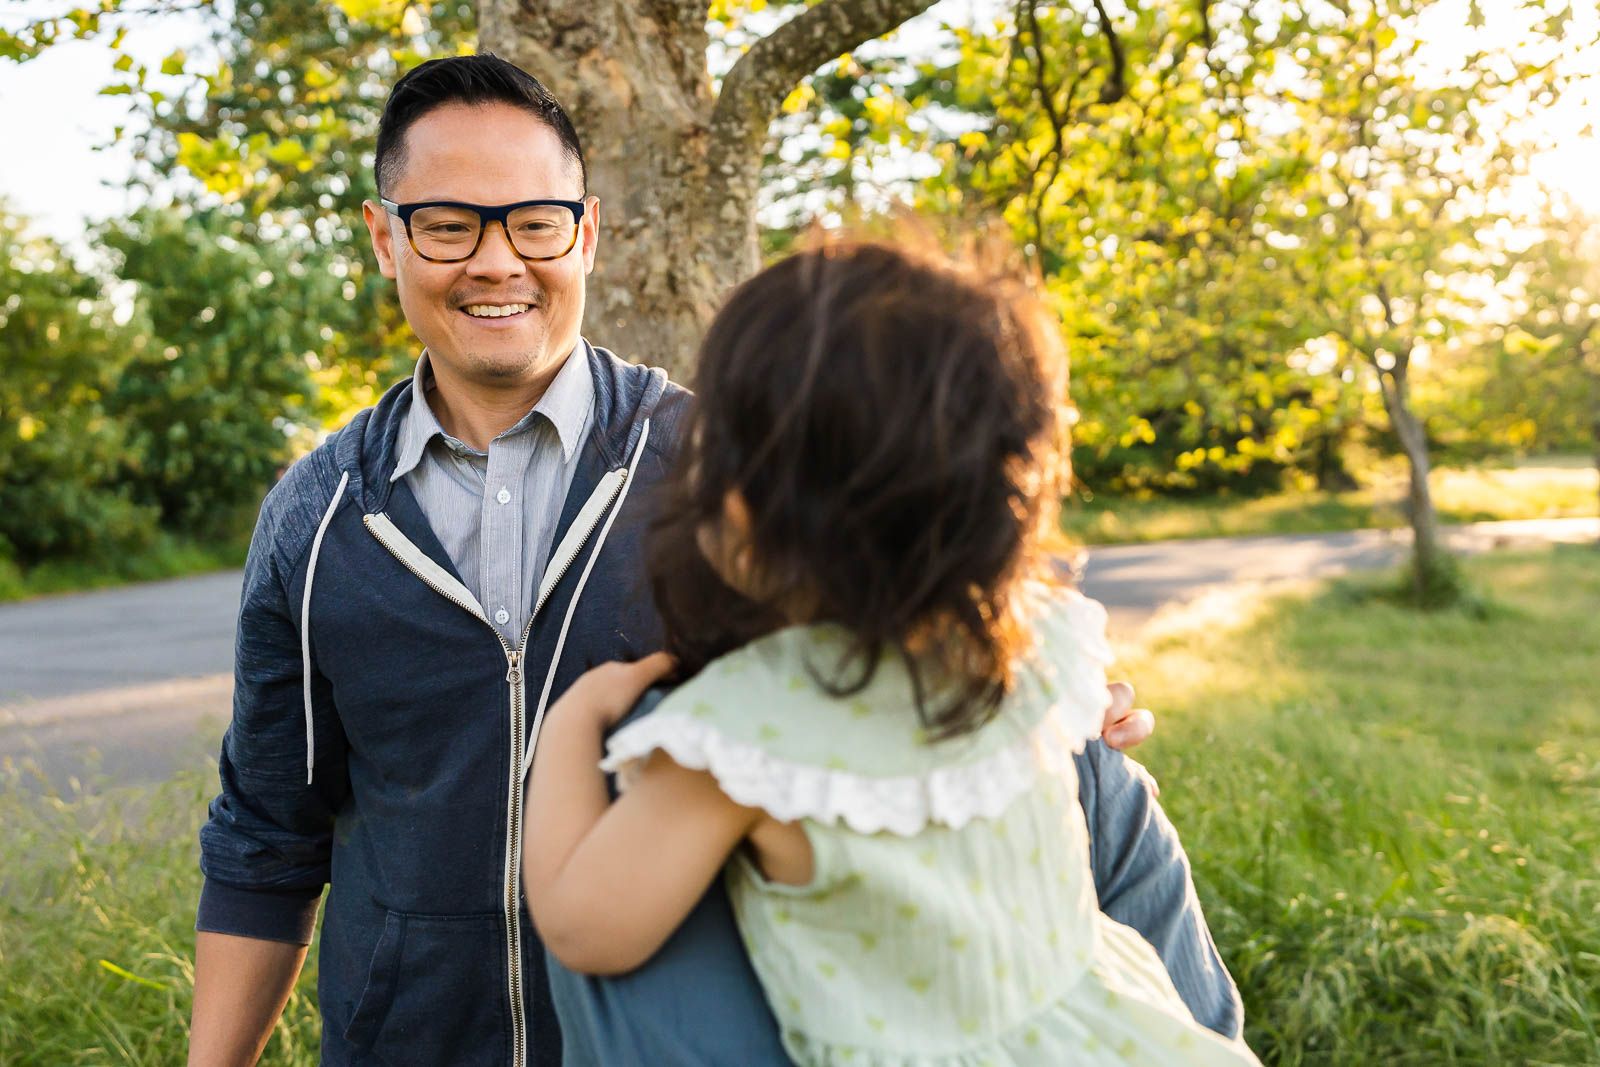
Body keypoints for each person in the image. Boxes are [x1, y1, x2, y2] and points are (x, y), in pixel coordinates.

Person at [188, 53, 1237, 1067]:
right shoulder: (314, 519)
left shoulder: (761, 476)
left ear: (588, 232)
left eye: (535, 221)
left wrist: (1060, 703)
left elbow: (927, 630)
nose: (498, 260)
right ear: (385, 238)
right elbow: (265, 834)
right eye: (450, 225)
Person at [521, 234, 1260, 1065]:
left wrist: (572, 724)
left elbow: (587, 928)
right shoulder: (1038, 638)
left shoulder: (740, 736)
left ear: (747, 509)